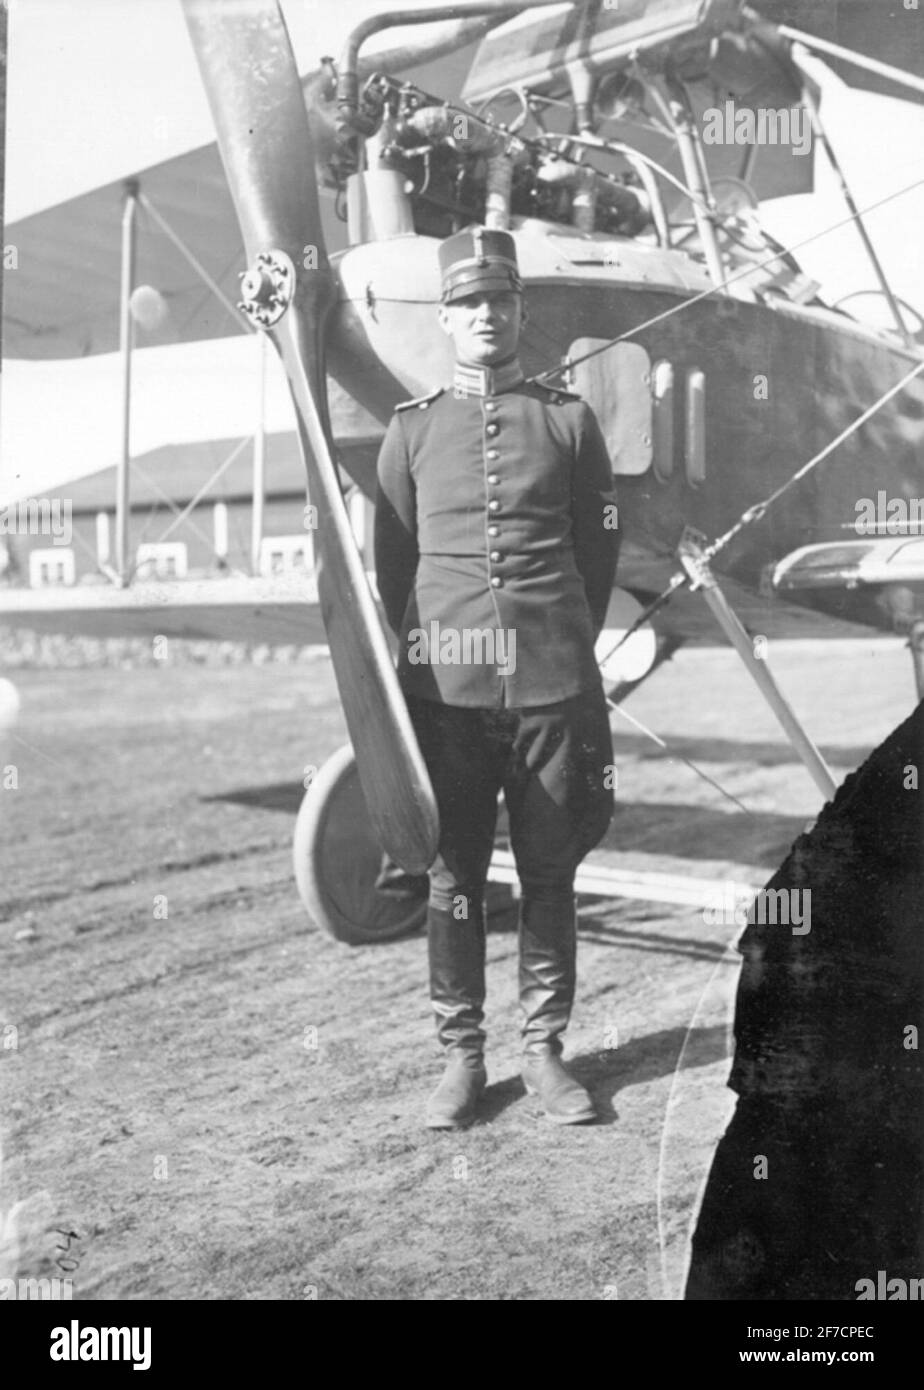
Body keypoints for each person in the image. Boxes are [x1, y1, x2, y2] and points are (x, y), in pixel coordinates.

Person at [374, 226, 619, 1130]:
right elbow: (394, 570)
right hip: (448, 693)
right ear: (445, 318)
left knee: (550, 872)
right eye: (469, 302)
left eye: (500, 300)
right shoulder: (410, 432)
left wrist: (553, 640)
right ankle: (462, 1058)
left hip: (551, 683)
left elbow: (598, 554)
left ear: (521, 311)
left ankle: (545, 1052)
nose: (486, 315)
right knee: (455, 880)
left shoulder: (569, 421)